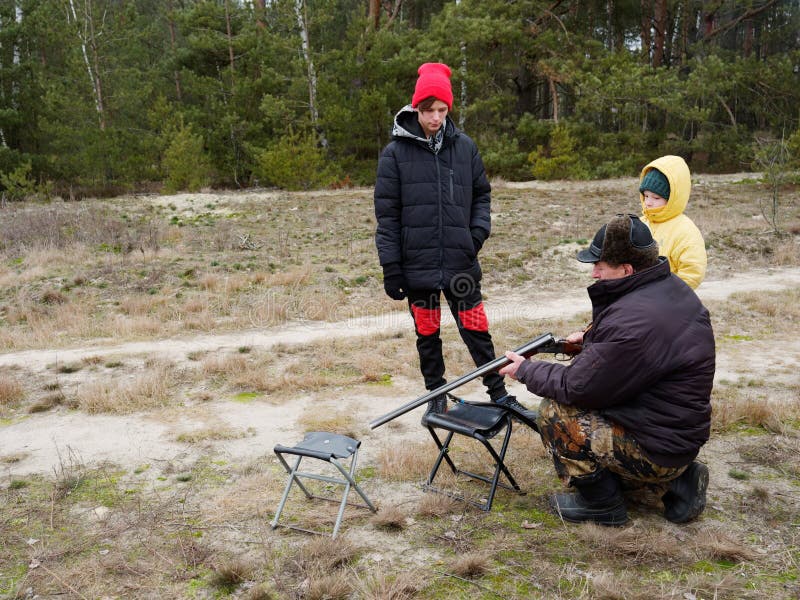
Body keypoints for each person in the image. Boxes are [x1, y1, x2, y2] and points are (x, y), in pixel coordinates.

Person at [499, 214, 715, 526]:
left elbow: (579, 387)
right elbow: (631, 360)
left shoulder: (634, 321)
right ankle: (676, 480)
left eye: (601, 265)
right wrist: (591, 341)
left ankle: (602, 505)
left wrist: (525, 370)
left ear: (627, 270)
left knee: (556, 414)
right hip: (674, 436)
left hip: (658, 445)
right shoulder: (669, 289)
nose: (594, 272)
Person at [374, 62, 531, 425]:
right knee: (427, 335)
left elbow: (482, 196)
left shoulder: (465, 148)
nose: (436, 117)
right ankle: (436, 396)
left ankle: (500, 395)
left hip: (461, 264)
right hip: (418, 269)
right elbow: (388, 216)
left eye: (442, 110)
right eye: (429, 110)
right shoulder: (394, 155)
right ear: (417, 108)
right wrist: (392, 267)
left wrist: (474, 236)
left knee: (477, 332)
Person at [639, 155, 707, 289]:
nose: (648, 202)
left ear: (672, 198)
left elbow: (693, 272)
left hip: (668, 300)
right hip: (638, 298)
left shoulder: (685, 230)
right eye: (646, 196)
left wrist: (669, 294)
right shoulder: (639, 224)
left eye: (656, 198)